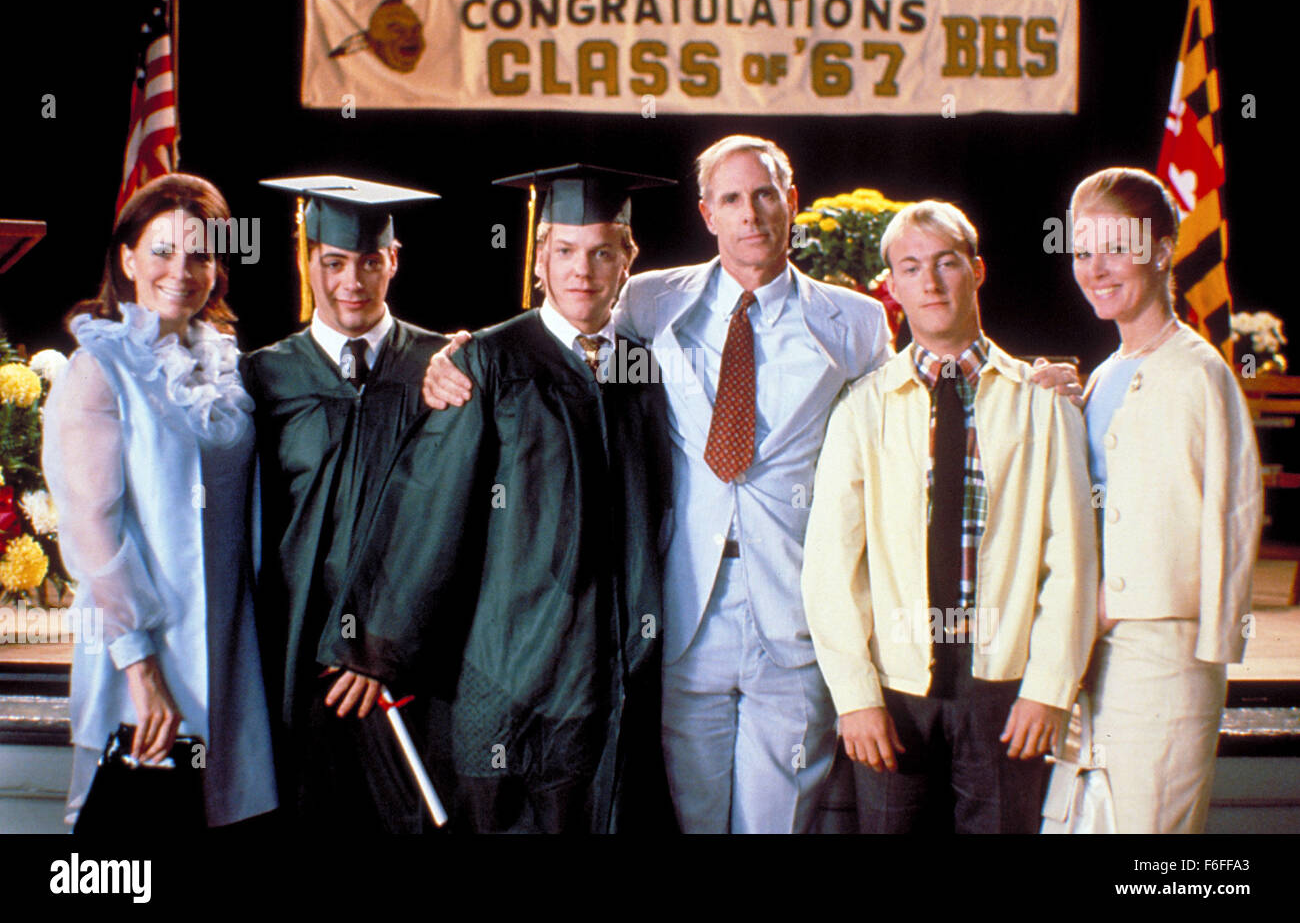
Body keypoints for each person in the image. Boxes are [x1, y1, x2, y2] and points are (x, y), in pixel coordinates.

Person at [424, 135, 894, 832]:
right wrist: (457, 356)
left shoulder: (854, 322)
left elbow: (898, 426)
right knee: (691, 817)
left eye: (765, 195)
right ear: (707, 213)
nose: (751, 215)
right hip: (681, 612)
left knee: (780, 821)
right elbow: (563, 335)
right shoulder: (648, 302)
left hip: (796, 612)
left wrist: (1029, 376)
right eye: (731, 199)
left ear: (790, 203)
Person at [323, 165, 676, 833]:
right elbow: (431, 502)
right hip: (509, 666)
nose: (583, 271)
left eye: (603, 252)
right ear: (540, 257)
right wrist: (373, 643)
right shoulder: (487, 361)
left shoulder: (641, 366)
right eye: (565, 251)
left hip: (608, 672)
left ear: (628, 258)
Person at [800, 200, 1097, 833]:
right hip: (896, 691)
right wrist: (855, 698)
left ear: (978, 270)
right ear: (893, 286)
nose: (930, 282)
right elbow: (830, 567)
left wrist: (1048, 686)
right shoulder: (863, 409)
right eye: (911, 267)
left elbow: (1072, 559)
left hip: (1004, 688)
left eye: (946, 263)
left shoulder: (1041, 407)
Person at [43, 173, 277, 828]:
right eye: (162, 250)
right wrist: (142, 673)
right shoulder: (100, 367)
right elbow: (93, 533)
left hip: (229, 662)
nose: (182, 269)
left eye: (200, 254)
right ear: (126, 258)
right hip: (147, 673)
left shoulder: (223, 368)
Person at [242, 174, 445, 833]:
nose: (351, 281)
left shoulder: (444, 368)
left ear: (394, 260)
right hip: (293, 650)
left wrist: (390, 639)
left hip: (407, 663)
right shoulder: (264, 377)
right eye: (332, 263)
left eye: (369, 261)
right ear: (308, 264)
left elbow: (456, 524)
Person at [1069, 167, 1261, 833]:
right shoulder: (1103, 374)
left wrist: (1212, 644)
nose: (1096, 268)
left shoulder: (1198, 370)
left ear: (1160, 249)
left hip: (1164, 652)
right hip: (1091, 652)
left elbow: (1236, 510)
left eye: (1115, 247)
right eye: (1082, 249)